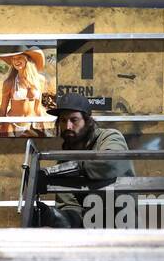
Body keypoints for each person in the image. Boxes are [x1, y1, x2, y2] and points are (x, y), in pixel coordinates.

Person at [36, 93, 134, 228]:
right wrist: (53, 216)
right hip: (90, 232)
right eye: (63, 121)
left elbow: (109, 164)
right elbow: (71, 207)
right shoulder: (64, 160)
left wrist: (73, 168)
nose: (68, 126)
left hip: (122, 226)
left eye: (74, 120)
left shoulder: (109, 138)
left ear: (87, 121)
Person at [0, 46, 50, 137]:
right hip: (11, 124)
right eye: (13, 58)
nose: (16, 61)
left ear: (27, 59)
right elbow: (3, 109)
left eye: (19, 57)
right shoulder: (9, 82)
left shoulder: (40, 80)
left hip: (30, 124)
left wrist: (43, 128)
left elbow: (37, 108)